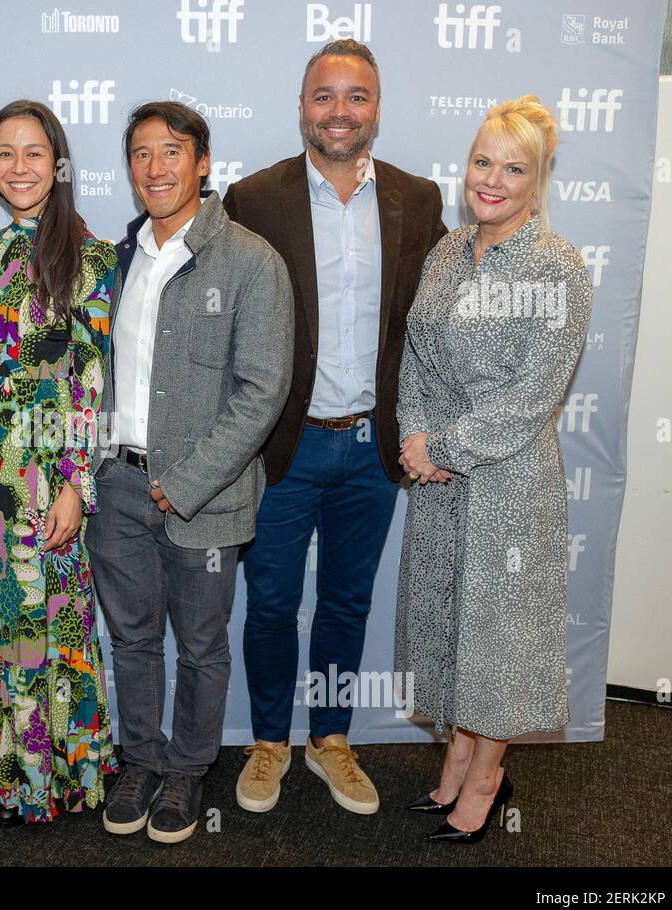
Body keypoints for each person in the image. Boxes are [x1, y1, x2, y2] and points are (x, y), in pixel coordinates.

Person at [221, 39, 447, 816]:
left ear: (376, 109)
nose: (340, 111)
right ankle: (269, 741)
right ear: (302, 107)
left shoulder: (418, 201)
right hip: (283, 446)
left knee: (348, 605)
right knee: (273, 603)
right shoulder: (253, 199)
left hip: (369, 449)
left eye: (356, 96)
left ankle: (331, 738)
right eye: (325, 95)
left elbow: (437, 326)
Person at [90, 101, 292, 844]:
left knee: (202, 645)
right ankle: (140, 760)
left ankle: (187, 771)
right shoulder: (115, 260)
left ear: (202, 162)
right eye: (141, 154)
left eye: (170, 151)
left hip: (202, 498)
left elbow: (262, 391)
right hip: (117, 486)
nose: (155, 167)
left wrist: (186, 481)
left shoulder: (250, 261)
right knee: (133, 639)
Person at [396, 95, 591, 842]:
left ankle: (484, 782)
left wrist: (441, 450)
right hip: (440, 484)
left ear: (538, 179)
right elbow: (416, 354)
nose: (493, 180)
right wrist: (416, 437)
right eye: (483, 161)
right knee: (448, 628)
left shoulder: (559, 267)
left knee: (497, 641)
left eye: (515, 168)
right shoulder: (448, 251)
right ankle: (454, 764)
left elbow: (533, 399)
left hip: (508, 485)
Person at [0, 100, 117, 826]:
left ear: (59, 163)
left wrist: (76, 486)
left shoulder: (91, 255)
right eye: (5, 154)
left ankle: (51, 773)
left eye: (34, 153)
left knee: (49, 624)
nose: (19, 168)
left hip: (44, 471)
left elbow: (90, 383)